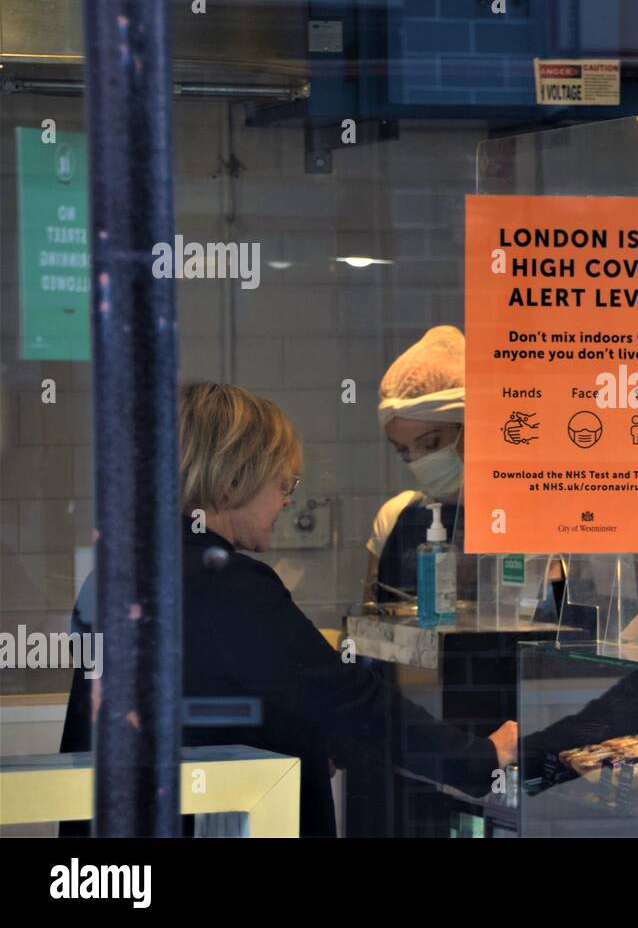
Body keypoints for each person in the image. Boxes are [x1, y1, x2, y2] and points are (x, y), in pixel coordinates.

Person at [59, 382, 516, 837]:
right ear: (234, 478)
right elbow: (352, 700)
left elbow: (208, 706)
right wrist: (479, 759)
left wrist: (315, 736)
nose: (289, 499)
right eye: (283, 482)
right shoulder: (225, 582)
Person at [365, 326, 468, 606]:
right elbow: (371, 619)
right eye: (402, 450)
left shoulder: (517, 520)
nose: (417, 461)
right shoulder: (395, 516)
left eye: (431, 443)